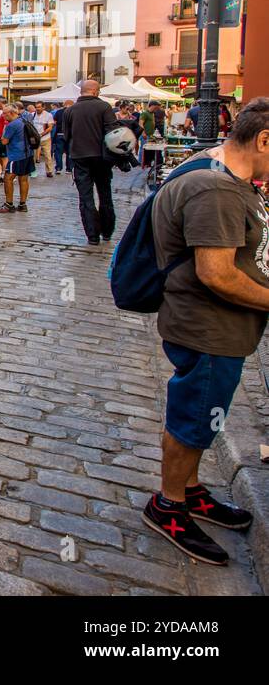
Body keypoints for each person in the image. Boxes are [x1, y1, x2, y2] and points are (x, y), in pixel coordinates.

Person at [144, 100, 268, 565]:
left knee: (201, 414)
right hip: (206, 326)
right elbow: (215, 273)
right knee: (192, 416)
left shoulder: (221, 175)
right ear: (263, 140)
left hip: (218, 328)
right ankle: (169, 504)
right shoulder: (214, 190)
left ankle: (191, 490)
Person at [62, 78, 117, 245]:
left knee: (86, 198)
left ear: (81, 92)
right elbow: (113, 133)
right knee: (105, 194)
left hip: (79, 157)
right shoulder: (104, 107)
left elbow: (67, 136)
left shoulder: (70, 111)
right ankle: (107, 231)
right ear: (96, 91)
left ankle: (92, 235)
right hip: (101, 157)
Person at [0, 103, 34, 213]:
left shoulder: (11, 125)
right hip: (28, 153)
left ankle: (9, 204)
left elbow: (4, 141)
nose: (3, 115)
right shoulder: (24, 120)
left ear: (11, 113)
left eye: (4, 113)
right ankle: (22, 204)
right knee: (24, 179)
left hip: (16, 155)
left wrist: (3, 135)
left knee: (8, 178)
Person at [32, 101, 55, 178]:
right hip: (34, 139)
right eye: (36, 107)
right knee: (33, 156)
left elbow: (50, 127)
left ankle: (49, 171)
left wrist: (41, 134)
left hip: (45, 138)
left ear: (43, 107)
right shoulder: (33, 114)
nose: (37, 109)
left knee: (47, 155)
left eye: (39, 107)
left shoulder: (48, 115)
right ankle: (33, 171)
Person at [51, 99, 72, 175]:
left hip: (59, 134)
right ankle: (69, 169)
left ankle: (58, 168)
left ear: (64, 105)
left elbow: (54, 123)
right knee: (69, 152)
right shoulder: (73, 112)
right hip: (70, 135)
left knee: (58, 152)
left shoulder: (59, 112)